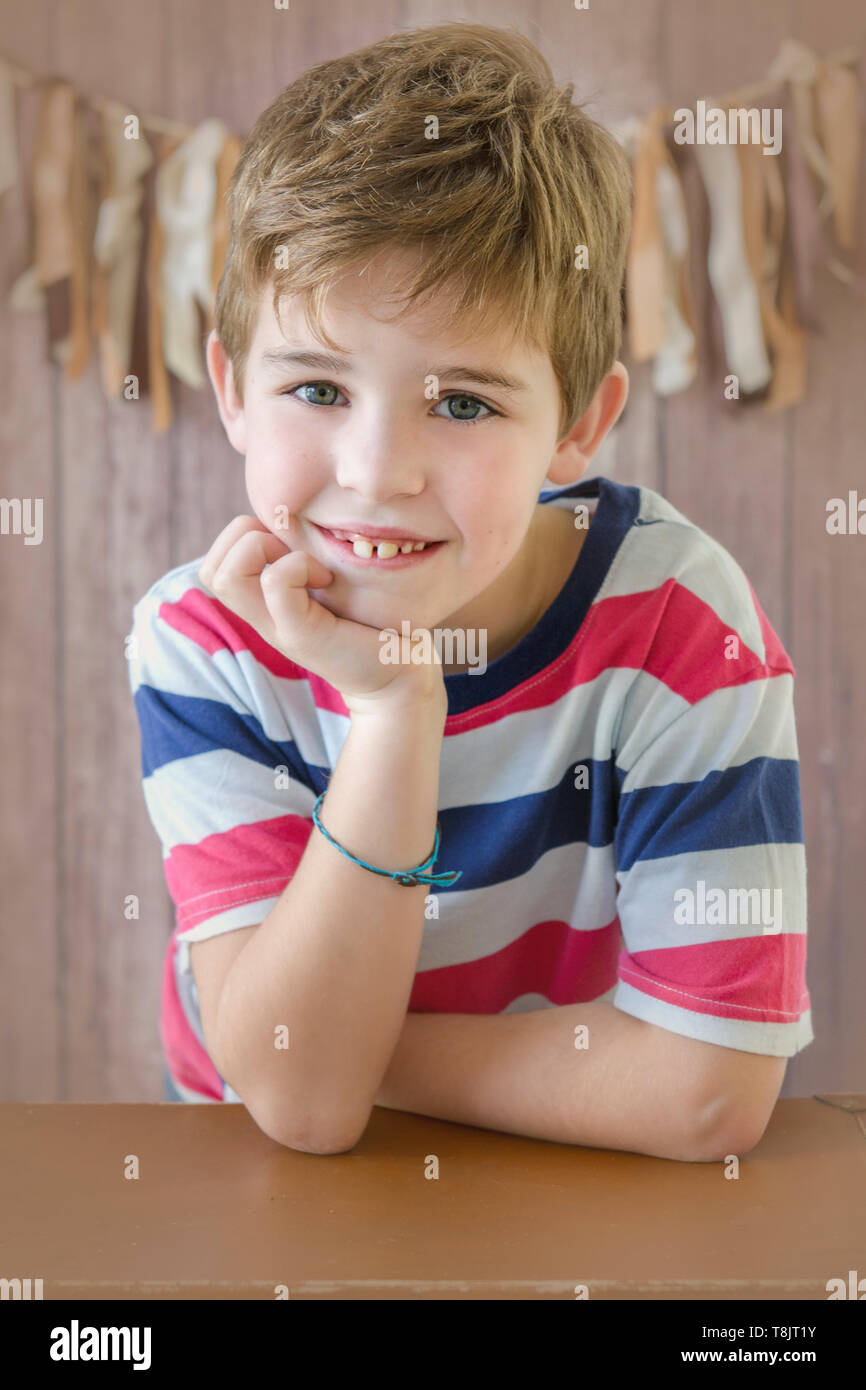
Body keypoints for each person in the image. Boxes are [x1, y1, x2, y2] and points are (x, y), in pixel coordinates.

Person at [129, 22, 812, 1158]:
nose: (373, 474)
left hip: (568, 1182)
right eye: (315, 386)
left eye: (460, 405)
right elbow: (296, 1115)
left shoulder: (679, 626)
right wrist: (397, 712)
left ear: (579, 426)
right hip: (258, 1193)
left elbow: (706, 1092)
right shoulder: (204, 640)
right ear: (231, 389)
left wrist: (325, 1046)